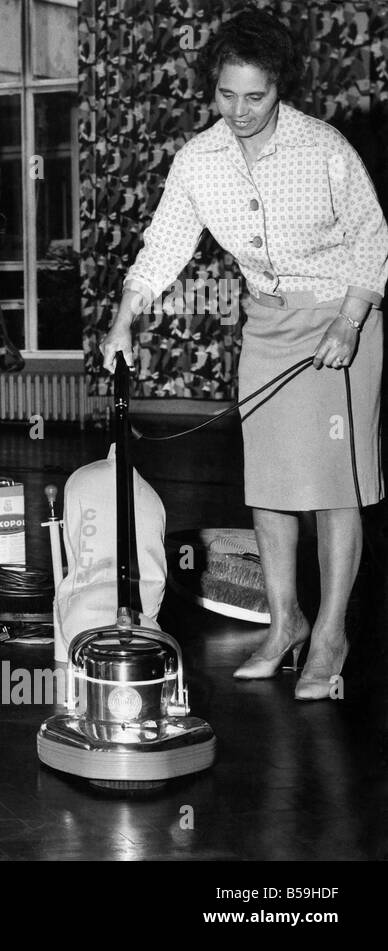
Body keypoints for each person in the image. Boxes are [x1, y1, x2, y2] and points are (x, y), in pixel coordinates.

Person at [100, 9, 388, 701]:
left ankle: (331, 635)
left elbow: (373, 240)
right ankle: (285, 618)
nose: (239, 111)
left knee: (332, 488)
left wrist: (350, 321)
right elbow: (165, 242)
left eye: (254, 96)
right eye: (226, 95)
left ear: (279, 86)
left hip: (337, 324)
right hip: (266, 325)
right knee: (268, 484)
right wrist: (122, 322)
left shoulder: (324, 149)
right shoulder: (200, 159)